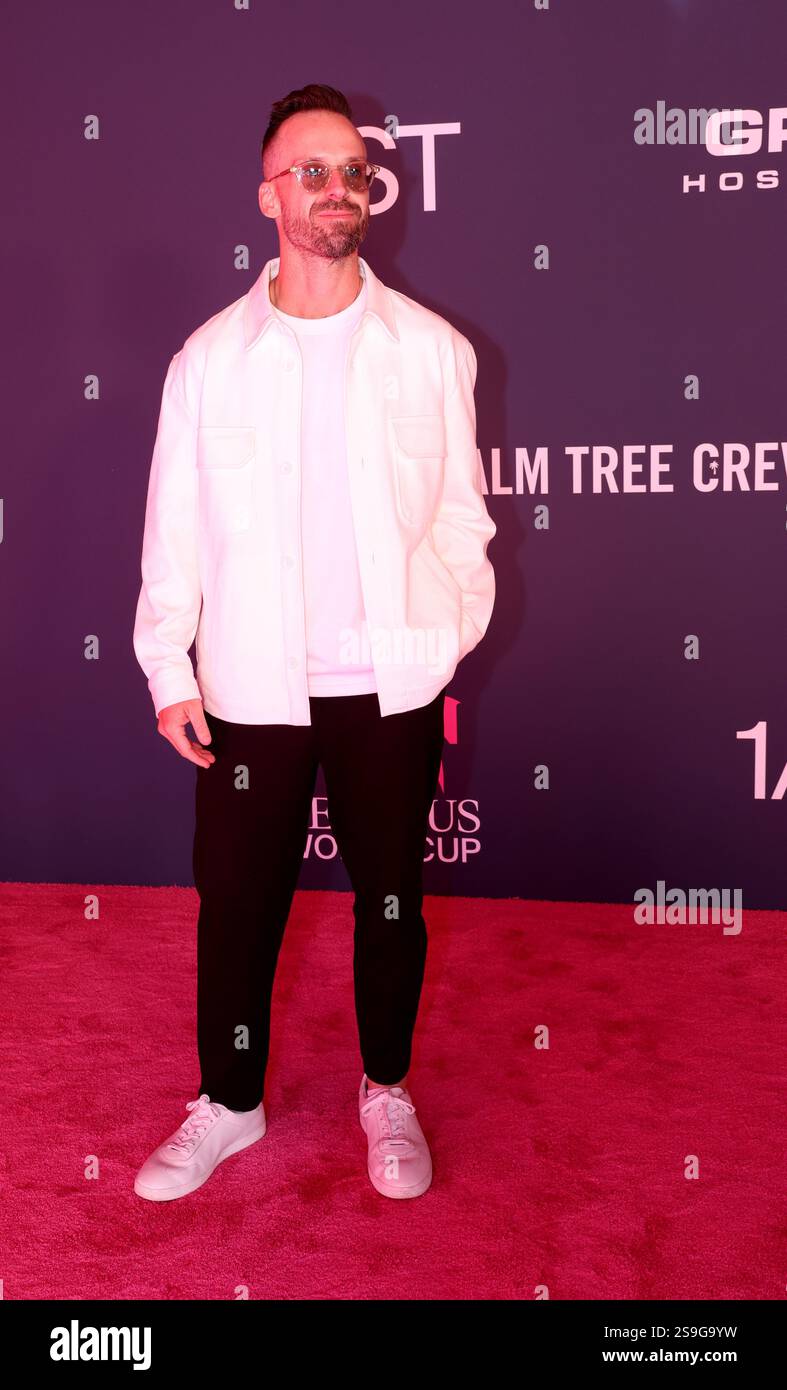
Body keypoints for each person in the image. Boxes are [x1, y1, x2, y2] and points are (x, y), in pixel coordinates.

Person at [131, 83, 496, 1202]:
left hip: (389, 684)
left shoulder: (432, 350)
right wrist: (166, 665)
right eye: (313, 170)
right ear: (267, 197)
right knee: (238, 904)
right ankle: (229, 1103)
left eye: (353, 170)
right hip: (250, 685)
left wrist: (432, 644)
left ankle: (386, 1088)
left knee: (393, 898)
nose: (339, 188)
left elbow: (463, 523)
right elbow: (172, 527)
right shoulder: (207, 361)